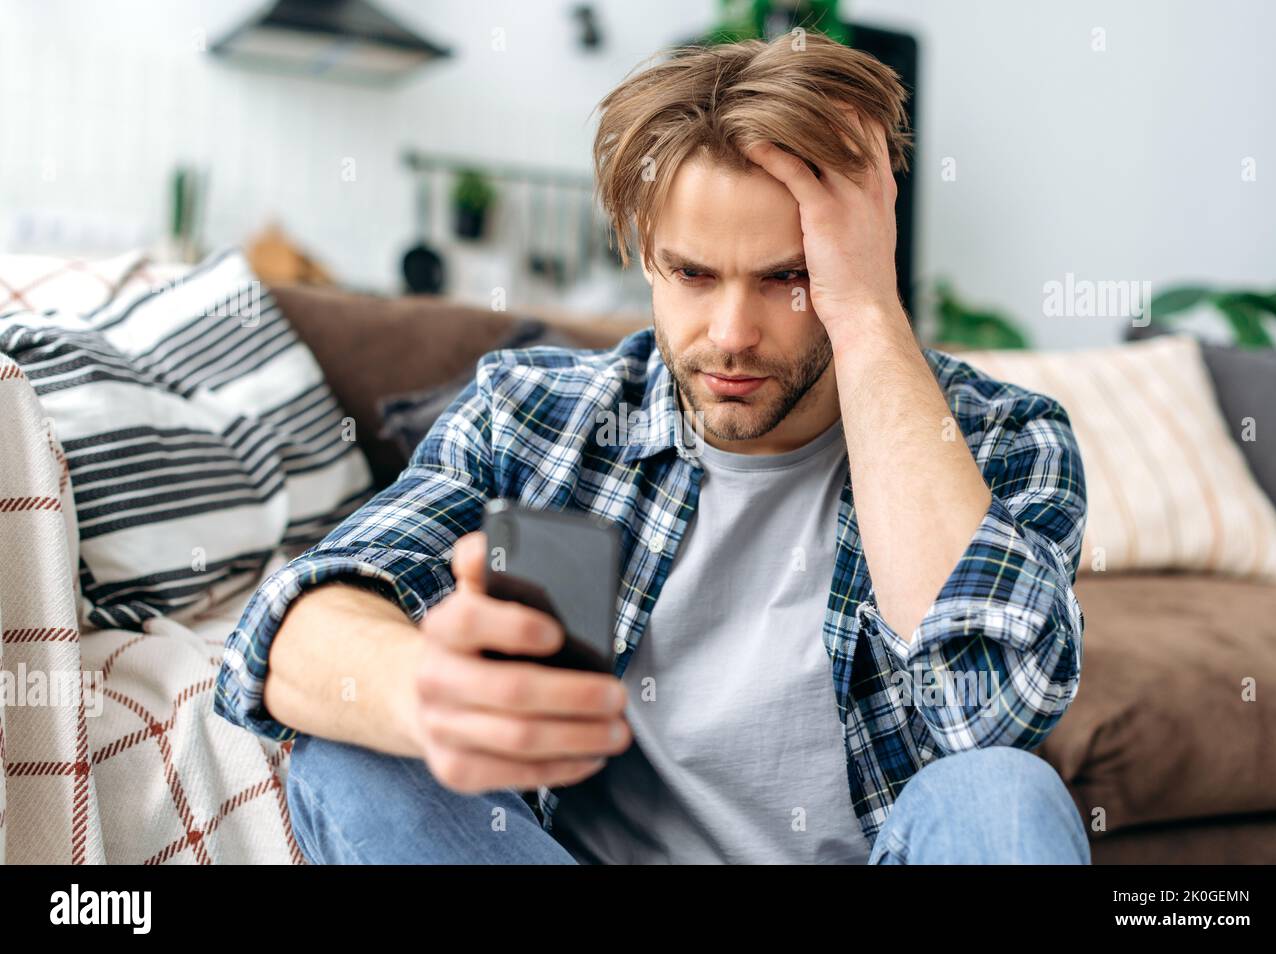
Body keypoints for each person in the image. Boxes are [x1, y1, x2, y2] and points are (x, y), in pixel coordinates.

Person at [216, 31, 1090, 865]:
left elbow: (987, 715)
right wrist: (422, 689)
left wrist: (863, 313)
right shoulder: (533, 416)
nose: (734, 333)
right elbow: (286, 630)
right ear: (644, 254)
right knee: (356, 754)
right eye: (694, 274)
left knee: (1002, 792)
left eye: (788, 277)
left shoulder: (1000, 436)